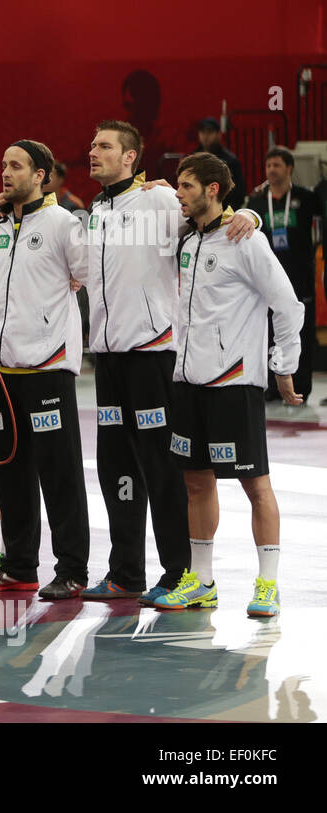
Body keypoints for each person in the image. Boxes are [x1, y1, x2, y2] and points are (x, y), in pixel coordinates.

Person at [82, 120, 260, 605]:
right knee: (114, 465)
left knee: (163, 470)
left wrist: (250, 215)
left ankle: (180, 572)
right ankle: (124, 573)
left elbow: (214, 219)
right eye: (93, 145)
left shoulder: (160, 201)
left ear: (131, 157)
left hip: (152, 358)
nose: (92, 152)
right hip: (109, 361)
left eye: (104, 146)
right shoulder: (96, 210)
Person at [158, 151, 304, 618]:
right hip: (189, 381)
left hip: (234, 382)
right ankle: (201, 582)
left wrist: (284, 365)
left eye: (186, 186)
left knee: (255, 485)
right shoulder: (187, 241)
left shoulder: (246, 241)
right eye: (177, 186)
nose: (179, 194)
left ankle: (267, 585)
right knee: (196, 483)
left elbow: (287, 305)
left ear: (213, 189)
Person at [0, 139, 91, 600]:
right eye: (3, 164)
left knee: (60, 475)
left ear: (41, 174)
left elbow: (85, 276)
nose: (5, 172)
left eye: (16, 166)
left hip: (46, 370)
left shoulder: (63, 224)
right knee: (9, 474)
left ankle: (73, 570)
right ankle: (19, 566)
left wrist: (47, 327)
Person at [245, 146, 322, 402]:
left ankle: (301, 387)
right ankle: (271, 385)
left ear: (289, 168)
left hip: (300, 275)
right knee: (267, 331)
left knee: (303, 331)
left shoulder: (306, 197)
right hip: (267, 279)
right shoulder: (256, 201)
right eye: (268, 166)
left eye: (277, 165)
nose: (272, 170)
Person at [195, 118, 245, 212]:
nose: (205, 136)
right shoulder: (193, 158)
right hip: (198, 212)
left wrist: (228, 214)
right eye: (202, 132)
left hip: (224, 212)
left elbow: (238, 193)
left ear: (218, 134)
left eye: (210, 132)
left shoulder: (231, 160)